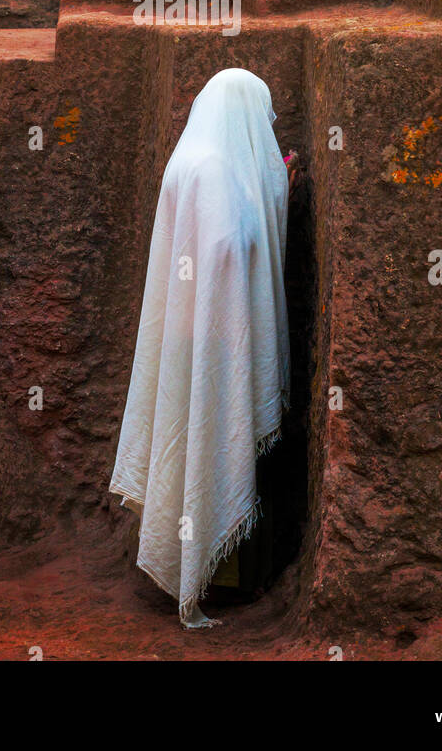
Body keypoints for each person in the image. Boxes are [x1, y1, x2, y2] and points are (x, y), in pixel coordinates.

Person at [109, 68, 292, 629]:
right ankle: (220, 575)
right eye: (261, 121)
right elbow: (229, 246)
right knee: (219, 432)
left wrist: (272, 187)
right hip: (218, 331)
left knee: (188, 437)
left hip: (185, 328)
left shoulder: (190, 159)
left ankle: (192, 554)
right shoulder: (216, 169)